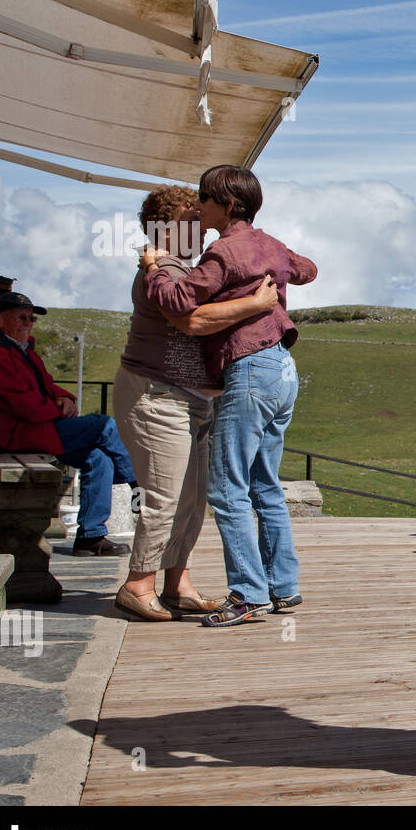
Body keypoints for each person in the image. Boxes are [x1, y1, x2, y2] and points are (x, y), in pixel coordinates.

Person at [144, 165, 317, 628]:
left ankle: (246, 595)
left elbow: (179, 299)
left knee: (227, 487)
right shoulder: (271, 245)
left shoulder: (223, 250)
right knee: (265, 483)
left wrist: (155, 268)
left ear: (226, 205)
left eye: (204, 198)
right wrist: (273, 272)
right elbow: (308, 270)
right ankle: (282, 587)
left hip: (250, 370)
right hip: (283, 368)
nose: (199, 206)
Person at [112, 184, 281, 621]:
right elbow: (193, 321)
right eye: (194, 221)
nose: (204, 229)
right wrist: (256, 303)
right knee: (166, 496)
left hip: (189, 399)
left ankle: (176, 581)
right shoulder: (160, 267)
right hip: (156, 395)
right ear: (167, 227)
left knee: (193, 497)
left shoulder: (181, 268)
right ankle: (138, 583)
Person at [0, 291, 136, 558]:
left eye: (31, 318)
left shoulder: (19, 350)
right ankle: (140, 486)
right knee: (104, 425)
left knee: (99, 457)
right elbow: (17, 401)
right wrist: (56, 406)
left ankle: (91, 537)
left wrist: (64, 396)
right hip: (14, 434)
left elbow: (47, 384)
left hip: (35, 429)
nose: (28, 323)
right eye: (21, 317)